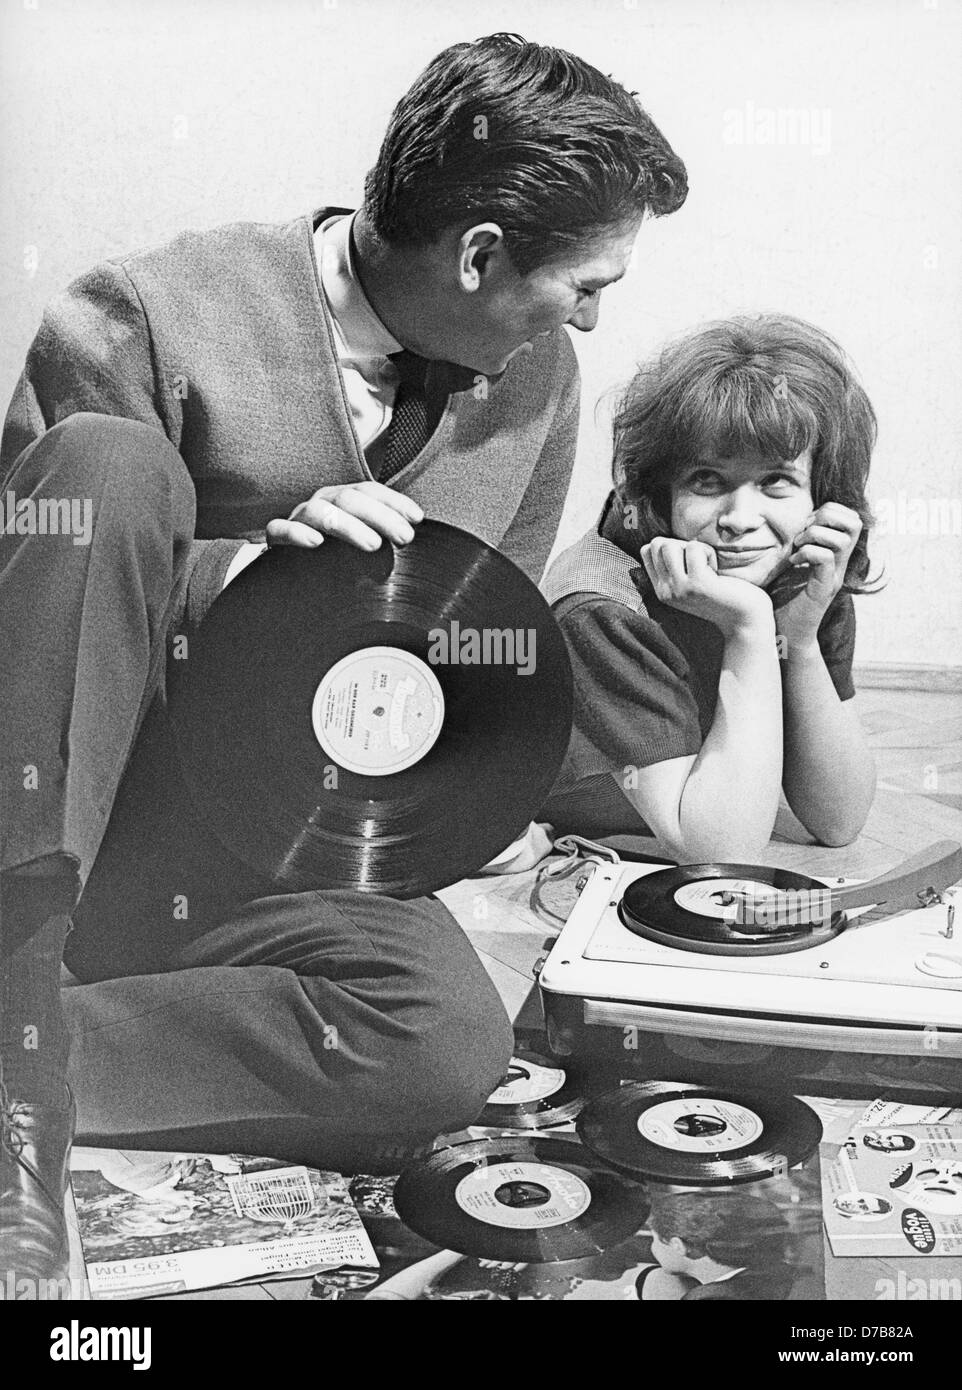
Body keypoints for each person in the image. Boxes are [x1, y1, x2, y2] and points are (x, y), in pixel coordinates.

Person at [0, 34, 687, 1283]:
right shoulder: (140, 315)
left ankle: (25, 1040)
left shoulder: (541, 380)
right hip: (69, 834)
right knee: (108, 459)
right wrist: (236, 577)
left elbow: (482, 652)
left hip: (281, 850)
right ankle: (21, 1075)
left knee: (444, 1049)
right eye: (584, 283)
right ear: (480, 254)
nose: (591, 315)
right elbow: (37, 600)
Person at [540, 314, 877, 859]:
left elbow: (838, 819)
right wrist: (749, 628)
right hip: (576, 828)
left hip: (710, 804)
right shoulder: (601, 609)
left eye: (776, 481)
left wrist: (800, 641)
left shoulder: (802, 568)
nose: (740, 519)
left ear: (822, 495)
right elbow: (720, 854)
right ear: (660, 491)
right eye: (707, 480)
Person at [636, 1190, 797, 1300]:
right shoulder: (781, 1278)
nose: (652, 1247)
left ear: (679, 1246)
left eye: (654, 1239)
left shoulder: (709, 1297)